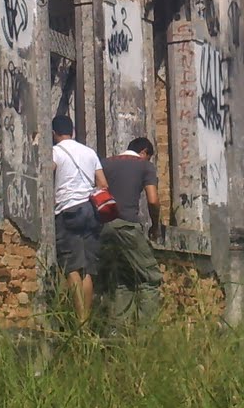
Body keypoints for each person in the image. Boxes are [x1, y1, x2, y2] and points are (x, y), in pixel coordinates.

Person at [97, 136, 163, 327]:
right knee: (151, 278)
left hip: (104, 228)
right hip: (126, 226)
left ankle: (117, 333)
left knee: (122, 280)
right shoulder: (144, 166)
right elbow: (152, 200)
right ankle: (146, 335)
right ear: (144, 152)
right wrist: (155, 226)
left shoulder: (105, 163)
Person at [51, 114, 106, 324]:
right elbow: (102, 183)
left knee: (71, 266)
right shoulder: (89, 152)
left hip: (68, 211)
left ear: (54, 133)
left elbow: (46, 173)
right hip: (90, 211)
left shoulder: (56, 152)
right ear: (73, 131)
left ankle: (79, 321)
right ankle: (86, 320)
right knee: (87, 269)